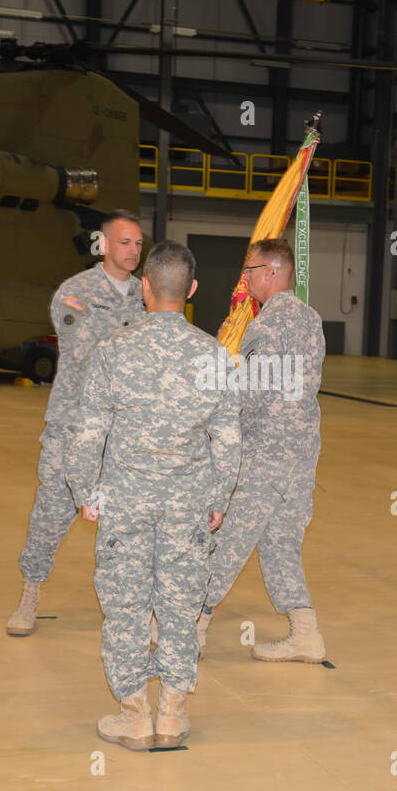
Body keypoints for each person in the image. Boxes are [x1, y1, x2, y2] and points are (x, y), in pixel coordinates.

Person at [66, 241, 240, 751]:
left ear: (145, 287)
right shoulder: (214, 356)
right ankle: (172, 714)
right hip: (189, 503)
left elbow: (87, 434)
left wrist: (86, 492)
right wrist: (219, 498)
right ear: (191, 291)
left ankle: (134, 715)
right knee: (180, 605)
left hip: (125, 500)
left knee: (126, 606)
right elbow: (228, 436)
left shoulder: (114, 350)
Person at [6, 210, 147, 635]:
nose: (134, 250)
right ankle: (30, 594)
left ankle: (131, 607)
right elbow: (81, 350)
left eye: (139, 244)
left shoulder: (149, 293)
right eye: (125, 242)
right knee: (51, 511)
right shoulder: (75, 293)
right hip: (75, 425)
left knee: (130, 522)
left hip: (124, 431)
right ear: (102, 245)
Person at [201, 238, 328, 663]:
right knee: (280, 544)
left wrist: (220, 380)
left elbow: (252, 393)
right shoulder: (310, 319)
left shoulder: (267, 325)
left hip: (265, 453)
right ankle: (306, 634)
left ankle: (191, 628)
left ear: (271, 273)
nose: (246, 278)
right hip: (301, 453)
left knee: (229, 539)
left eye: (250, 270)